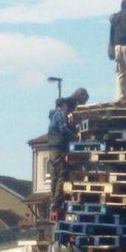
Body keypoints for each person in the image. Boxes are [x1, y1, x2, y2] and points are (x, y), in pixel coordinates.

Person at [46, 88, 89, 217]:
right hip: (59, 148)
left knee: (54, 176)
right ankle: (57, 202)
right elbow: (63, 129)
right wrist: (75, 137)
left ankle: (53, 202)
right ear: (64, 105)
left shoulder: (53, 115)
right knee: (62, 175)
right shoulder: (60, 115)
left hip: (52, 149)